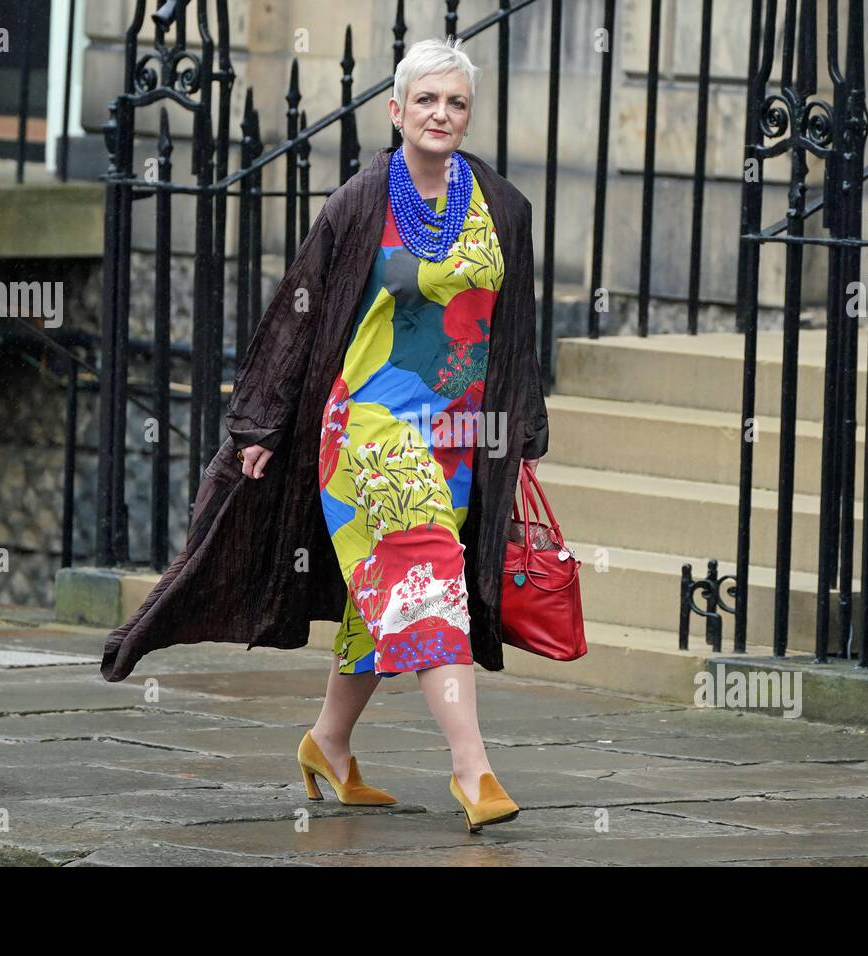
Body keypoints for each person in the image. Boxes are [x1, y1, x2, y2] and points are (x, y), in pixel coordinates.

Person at [101, 36, 549, 833]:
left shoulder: (502, 206)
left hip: (457, 435)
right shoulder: (359, 200)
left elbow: (516, 329)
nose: (441, 114)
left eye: (456, 103)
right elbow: (298, 312)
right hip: (369, 426)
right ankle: (473, 771)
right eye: (426, 101)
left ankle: (328, 742)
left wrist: (523, 430)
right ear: (396, 110)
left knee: (381, 595)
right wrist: (260, 423)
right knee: (428, 578)